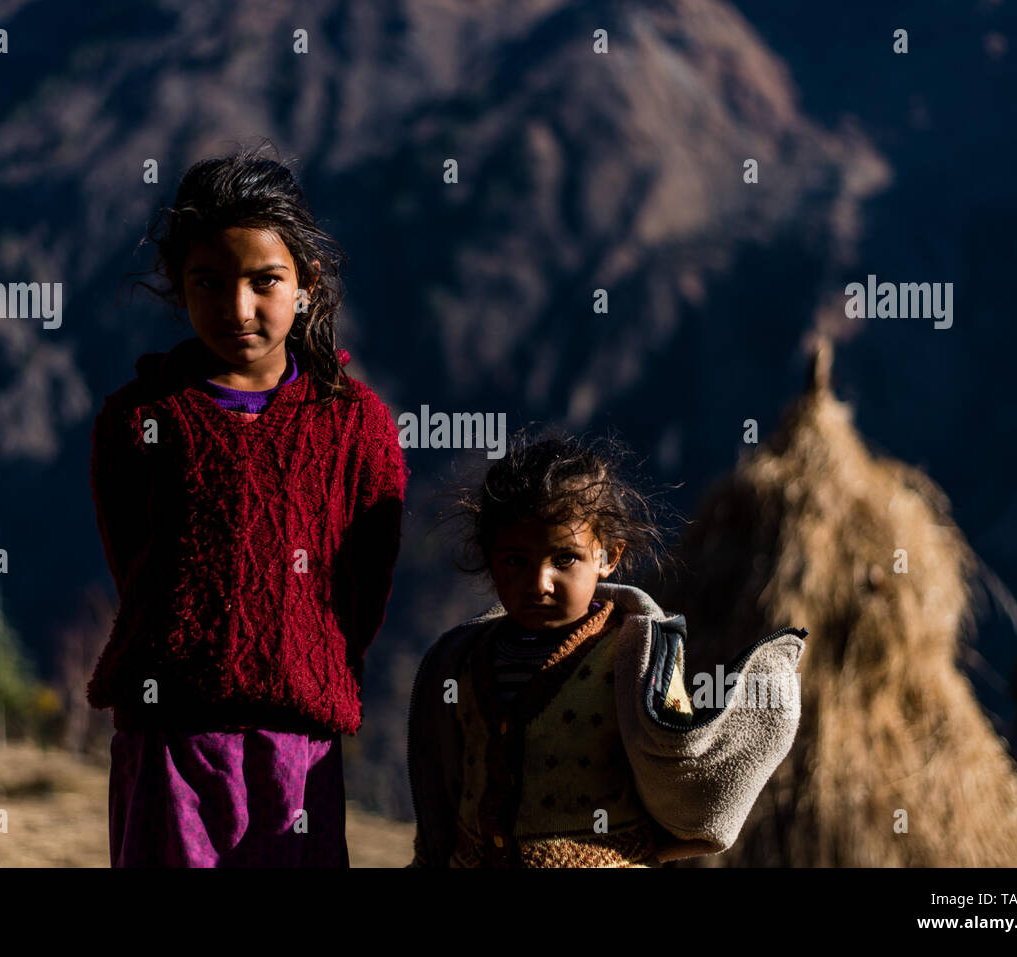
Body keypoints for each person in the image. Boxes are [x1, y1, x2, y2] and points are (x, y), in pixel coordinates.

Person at [87, 144, 408, 867]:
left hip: (298, 747)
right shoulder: (140, 419)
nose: (238, 307)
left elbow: (363, 587)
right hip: (171, 734)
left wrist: (299, 655)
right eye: (208, 281)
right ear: (178, 284)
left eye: (265, 281)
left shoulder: (357, 427)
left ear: (308, 284)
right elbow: (137, 565)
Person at [407, 433, 806, 867]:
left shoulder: (633, 658)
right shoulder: (463, 662)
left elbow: (672, 758)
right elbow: (446, 782)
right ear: (489, 556)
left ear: (607, 556)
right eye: (516, 560)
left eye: (564, 559)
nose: (539, 582)